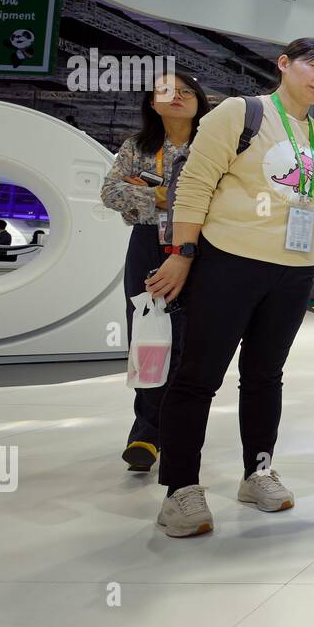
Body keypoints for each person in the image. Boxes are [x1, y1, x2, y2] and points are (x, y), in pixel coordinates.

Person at [146, 38, 314, 537]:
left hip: (292, 274)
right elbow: (194, 185)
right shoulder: (242, 113)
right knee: (198, 376)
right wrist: (183, 254)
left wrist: (297, 252)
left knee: (265, 376)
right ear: (284, 65)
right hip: (227, 262)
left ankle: (257, 472)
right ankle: (181, 490)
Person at [100, 70, 211, 472]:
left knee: (192, 341)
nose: (178, 97)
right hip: (148, 243)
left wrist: (146, 193)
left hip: (202, 245)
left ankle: (175, 426)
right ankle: (146, 432)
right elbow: (111, 192)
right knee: (148, 337)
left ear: (200, 101)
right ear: (152, 101)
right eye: (168, 92)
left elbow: (222, 198)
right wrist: (163, 196)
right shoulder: (138, 145)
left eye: (187, 92)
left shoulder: (214, 145)